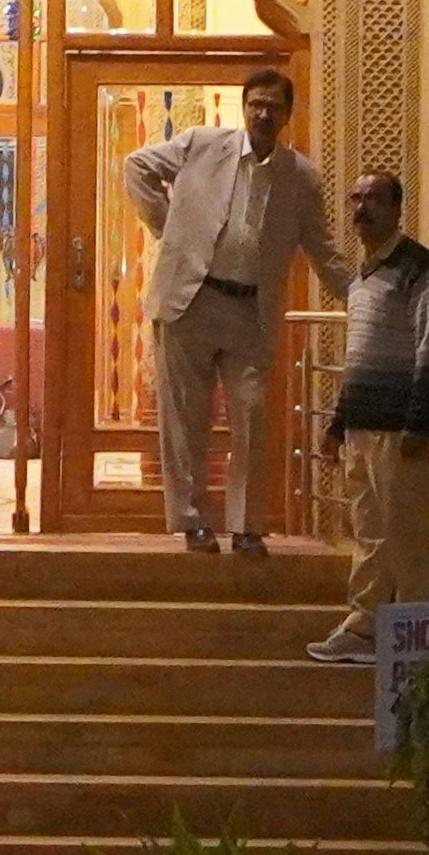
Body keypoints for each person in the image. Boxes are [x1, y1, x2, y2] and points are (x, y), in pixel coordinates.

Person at [122, 64, 343, 556]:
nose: (263, 113)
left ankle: (247, 526)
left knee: (252, 412)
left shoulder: (301, 177)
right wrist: (169, 229)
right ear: (245, 107)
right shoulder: (203, 144)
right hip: (190, 301)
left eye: (274, 106)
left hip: (250, 312)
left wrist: (361, 295)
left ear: (288, 114)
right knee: (185, 418)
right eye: (256, 104)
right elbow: (137, 166)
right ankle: (192, 519)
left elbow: (321, 248)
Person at [308, 169, 429, 664]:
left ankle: (417, 643)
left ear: (397, 208)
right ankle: (364, 629)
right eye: (356, 199)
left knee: (407, 536)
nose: (361, 209)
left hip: (402, 428)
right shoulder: (362, 278)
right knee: (368, 533)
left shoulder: (422, 269)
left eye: (373, 199)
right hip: (363, 425)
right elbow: (359, 358)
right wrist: (336, 424)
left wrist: (417, 419)